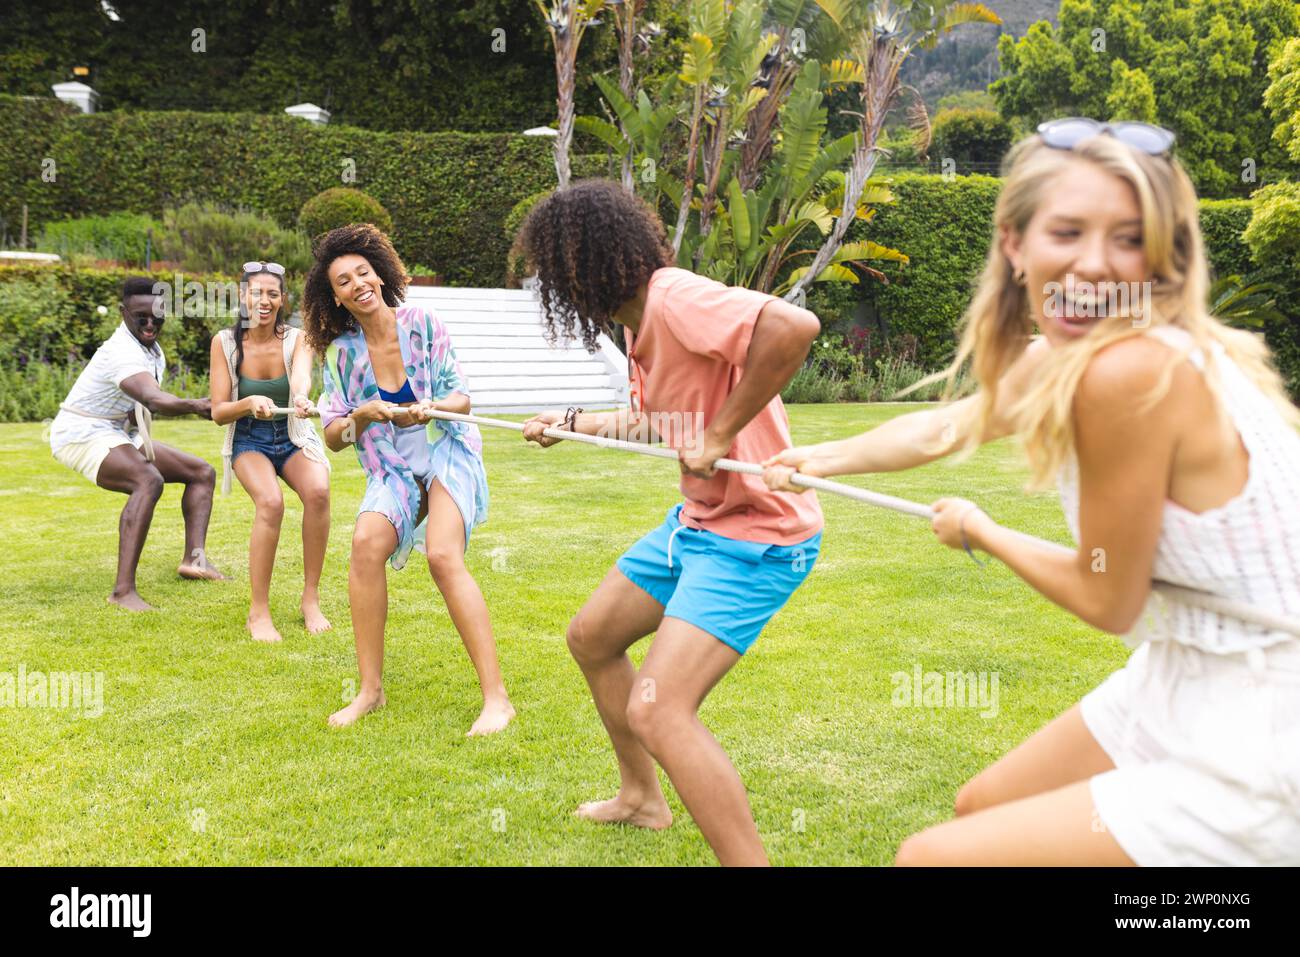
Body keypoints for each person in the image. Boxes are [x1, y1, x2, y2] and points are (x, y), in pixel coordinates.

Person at [764, 118, 1300, 866]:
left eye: (1127, 238)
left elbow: (1109, 594)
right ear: (1015, 243)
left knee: (932, 858)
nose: (1093, 263)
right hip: (1186, 668)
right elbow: (947, 428)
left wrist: (982, 530)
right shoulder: (1074, 360)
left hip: (1267, 717)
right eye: (1068, 231)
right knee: (983, 806)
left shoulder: (1131, 372)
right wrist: (819, 457)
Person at [516, 180, 824, 866]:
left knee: (657, 707)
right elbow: (660, 420)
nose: (552, 286)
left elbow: (793, 328)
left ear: (586, 261)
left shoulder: (674, 296)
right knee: (592, 636)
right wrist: (571, 424)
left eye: (555, 269)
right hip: (699, 523)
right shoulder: (635, 322)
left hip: (758, 537)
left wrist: (719, 437)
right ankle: (641, 798)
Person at [305, 224, 515, 734]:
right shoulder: (340, 355)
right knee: (363, 545)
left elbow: (461, 399)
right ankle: (370, 691)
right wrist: (366, 415)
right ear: (334, 297)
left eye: (363, 272)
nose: (358, 283)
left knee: (443, 556)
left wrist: (431, 409)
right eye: (344, 280)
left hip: (447, 452)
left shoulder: (423, 323)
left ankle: (497, 700)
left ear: (379, 273)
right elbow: (333, 434)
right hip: (393, 467)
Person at [50, 276, 229, 610]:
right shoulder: (121, 351)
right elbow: (153, 398)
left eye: (157, 315)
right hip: (80, 433)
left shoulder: (152, 350)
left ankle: (195, 560)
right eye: (140, 317)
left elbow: (140, 408)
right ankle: (122, 592)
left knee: (201, 472)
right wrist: (200, 405)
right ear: (122, 312)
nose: (150, 323)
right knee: (147, 480)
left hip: (115, 432)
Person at [209, 261, 332, 642]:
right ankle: (258, 611)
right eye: (256, 292)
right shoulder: (225, 343)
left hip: (292, 434)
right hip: (249, 440)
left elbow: (301, 377)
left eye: (272, 293)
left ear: (282, 299)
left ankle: (309, 599)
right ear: (243, 296)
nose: (264, 300)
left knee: (318, 492)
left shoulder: (299, 338)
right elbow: (218, 412)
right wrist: (248, 403)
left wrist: (299, 396)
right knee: (271, 503)